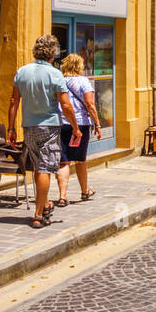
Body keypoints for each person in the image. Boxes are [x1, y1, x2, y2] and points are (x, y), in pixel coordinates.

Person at [8, 35, 82, 229]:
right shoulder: (55, 74)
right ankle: (38, 214)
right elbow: (65, 105)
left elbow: (14, 101)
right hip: (49, 126)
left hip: (28, 126)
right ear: (53, 53)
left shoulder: (22, 71)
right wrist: (75, 127)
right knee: (45, 168)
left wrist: (10, 128)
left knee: (40, 167)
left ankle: (45, 204)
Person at [58, 52, 102, 204]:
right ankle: (84, 192)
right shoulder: (84, 81)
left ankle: (62, 196)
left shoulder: (60, 81)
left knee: (64, 162)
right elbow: (90, 104)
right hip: (81, 124)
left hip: (62, 123)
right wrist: (97, 123)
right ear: (80, 66)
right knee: (80, 160)